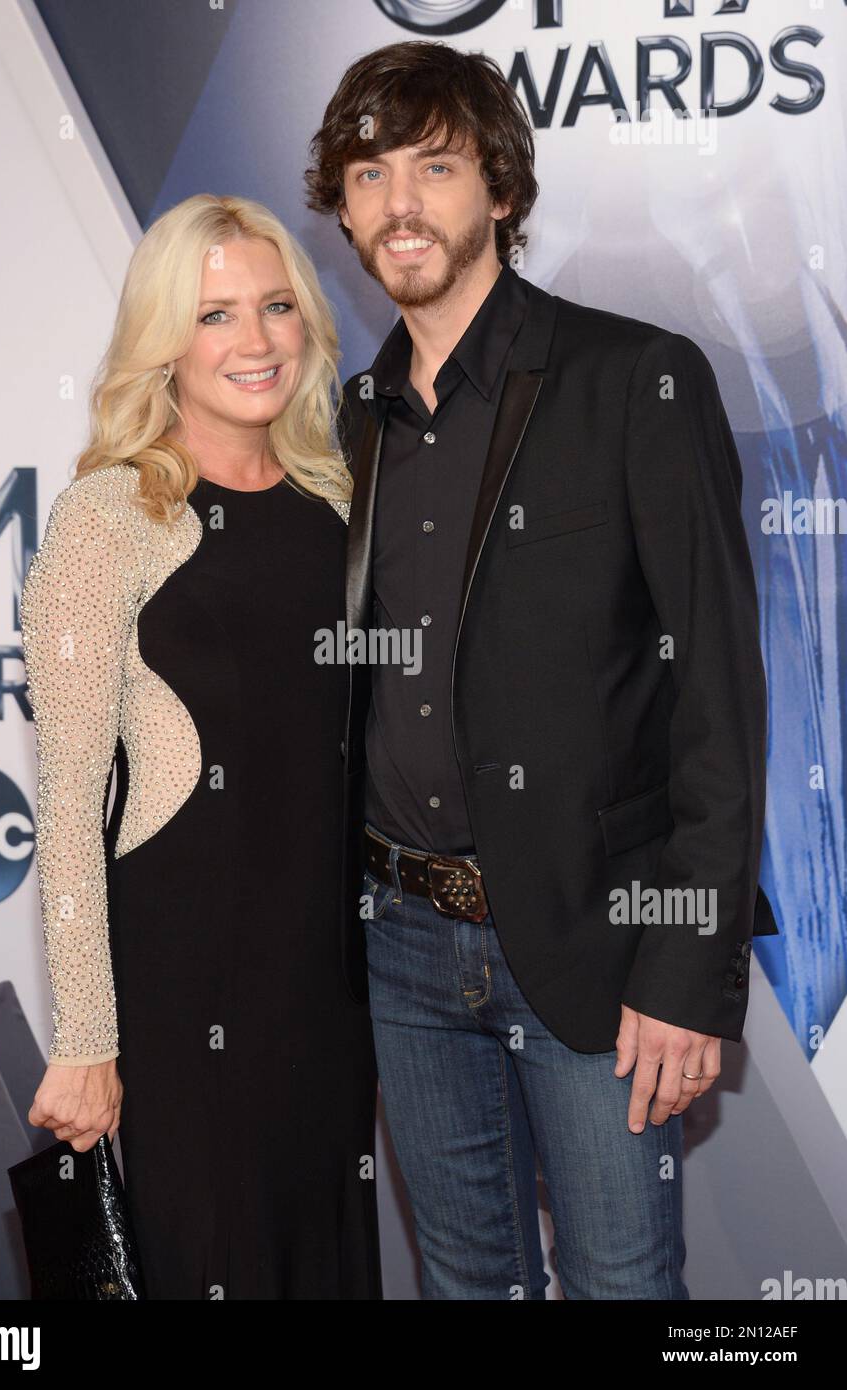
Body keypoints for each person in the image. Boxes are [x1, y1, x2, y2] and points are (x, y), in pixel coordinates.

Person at [305, 40, 779, 1300]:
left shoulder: (635, 378)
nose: (399, 201)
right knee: (467, 1283)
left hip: (598, 941)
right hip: (402, 943)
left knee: (625, 1285)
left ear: (500, 191)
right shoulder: (349, 423)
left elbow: (718, 704)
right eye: (368, 173)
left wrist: (688, 969)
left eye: (436, 165)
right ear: (343, 208)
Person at [20, 193, 381, 1300]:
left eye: (275, 306)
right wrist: (85, 1036)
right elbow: (70, 799)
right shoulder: (107, 516)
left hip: (328, 979)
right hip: (187, 973)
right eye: (214, 314)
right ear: (163, 339)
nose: (256, 340)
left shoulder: (338, 501)